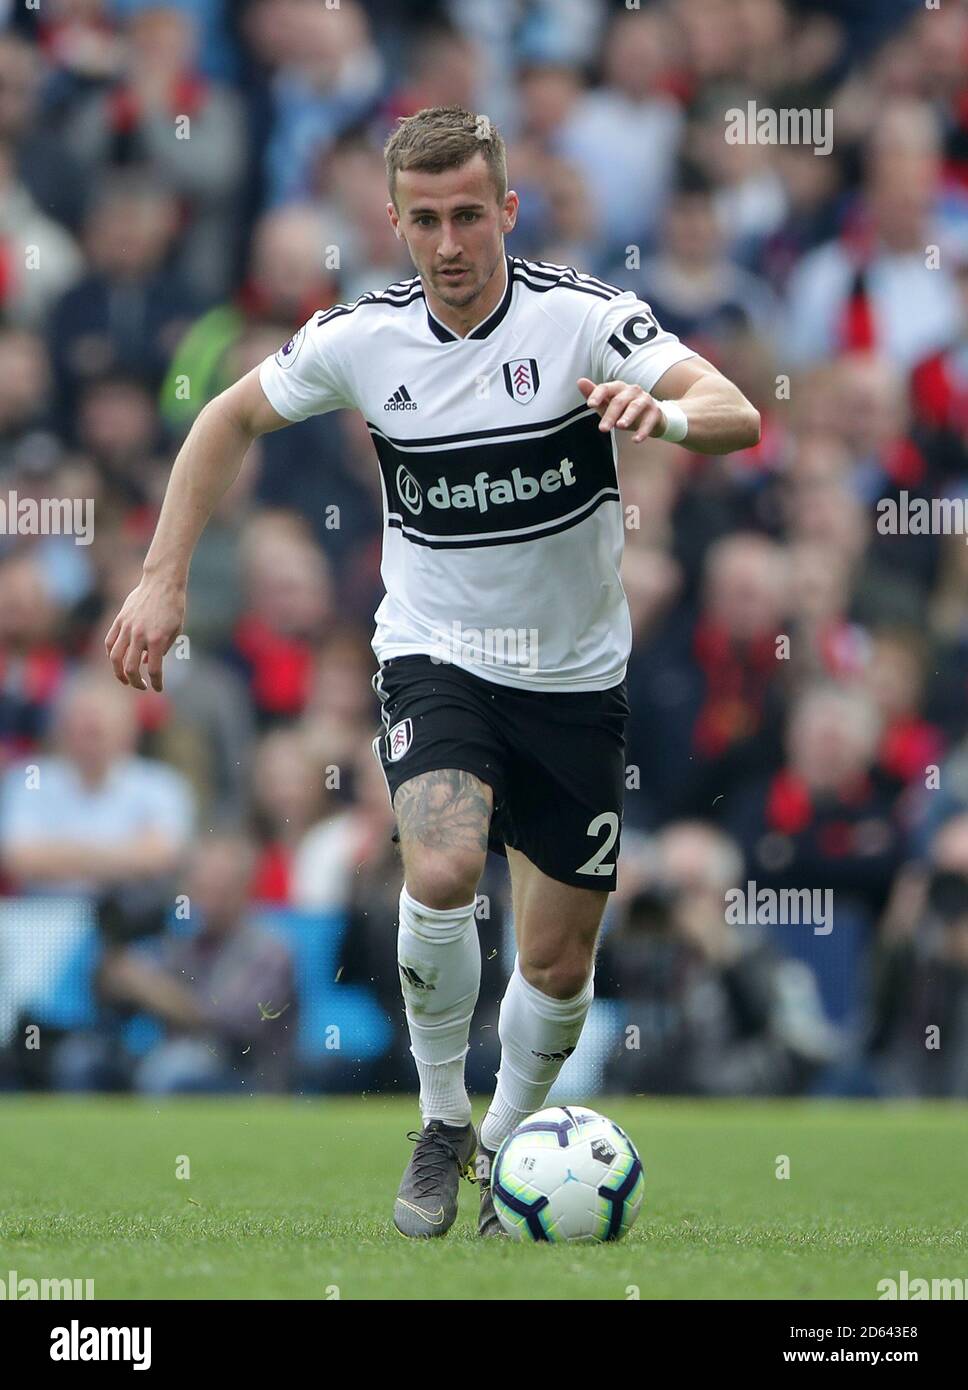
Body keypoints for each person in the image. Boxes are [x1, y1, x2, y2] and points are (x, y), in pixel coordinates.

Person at [104, 105, 759, 1239]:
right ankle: (441, 1117)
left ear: (507, 210)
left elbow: (735, 410)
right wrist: (162, 580)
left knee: (555, 963)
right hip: (435, 655)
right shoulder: (362, 336)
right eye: (423, 221)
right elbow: (221, 418)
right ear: (394, 225)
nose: (449, 242)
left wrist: (663, 415)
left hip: (573, 679)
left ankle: (506, 1146)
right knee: (445, 863)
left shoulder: (584, 320)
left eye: (468, 215)